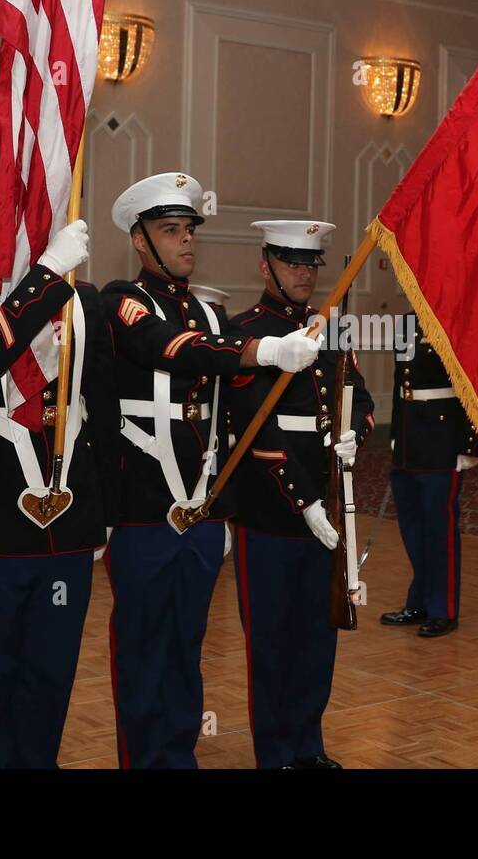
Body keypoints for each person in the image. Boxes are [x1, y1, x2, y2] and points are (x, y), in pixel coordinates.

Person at [101, 174, 320, 768]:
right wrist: (264, 351)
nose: (186, 241)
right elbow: (167, 349)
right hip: (144, 509)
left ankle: (178, 757)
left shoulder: (206, 308)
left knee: (185, 649)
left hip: (200, 513)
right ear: (141, 240)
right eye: (171, 231)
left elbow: (234, 409)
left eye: (190, 229)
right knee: (143, 650)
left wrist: (237, 502)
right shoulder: (122, 300)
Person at [0, 181, 120, 768]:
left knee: (50, 677)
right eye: (13, 210)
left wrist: (101, 511)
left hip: (66, 519)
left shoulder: (84, 302)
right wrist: (50, 269)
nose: (26, 224)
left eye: (40, 213)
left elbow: (100, 407)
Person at [228, 219, 376, 768]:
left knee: (319, 636)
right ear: (266, 266)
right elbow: (252, 430)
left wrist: (353, 436)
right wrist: (305, 501)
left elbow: (358, 399)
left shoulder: (331, 331)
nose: (304, 275)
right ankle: (276, 754)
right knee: (270, 640)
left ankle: (308, 747)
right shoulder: (246, 332)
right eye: (292, 264)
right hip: (270, 510)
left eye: (311, 265)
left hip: (331, 506)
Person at [381, 314, 478, 637]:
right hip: (409, 440)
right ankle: (419, 601)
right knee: (412, 527)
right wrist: (396, 433)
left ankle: (443, 609)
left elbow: (474, 385)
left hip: (442, 440)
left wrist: (470, 445)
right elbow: (401, 383)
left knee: (439, 531)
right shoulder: (407, 323)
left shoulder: (458, 320)